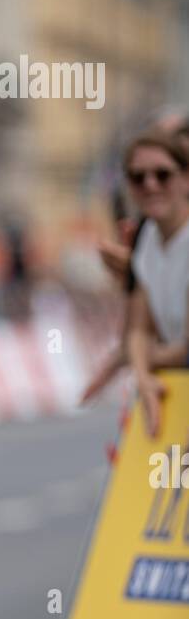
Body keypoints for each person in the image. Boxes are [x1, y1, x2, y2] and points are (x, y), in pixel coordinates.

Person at [123, 131, 189, 436]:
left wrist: (138, 359)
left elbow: (184, 348)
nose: (151, 185)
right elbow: (138, 326)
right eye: (138, 177)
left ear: (185, 179)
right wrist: (142, 375)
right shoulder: (146, 237)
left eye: (162, 175)